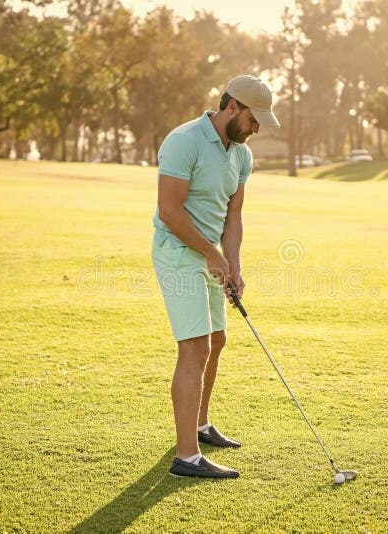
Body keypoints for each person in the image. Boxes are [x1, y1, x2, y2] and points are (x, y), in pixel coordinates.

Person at [151, 75, 280, 479]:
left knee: (218, 340)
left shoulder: (241, 155)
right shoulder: (183, 140)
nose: (257, 129)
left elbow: (234, 214)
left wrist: (233, 265)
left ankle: (201, 426)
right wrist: (212, 255)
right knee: (195, 350)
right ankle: (185, 458)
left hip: (210, 256)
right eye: (254, 120)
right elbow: (170, 212)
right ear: (232, 108)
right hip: (178, 251)